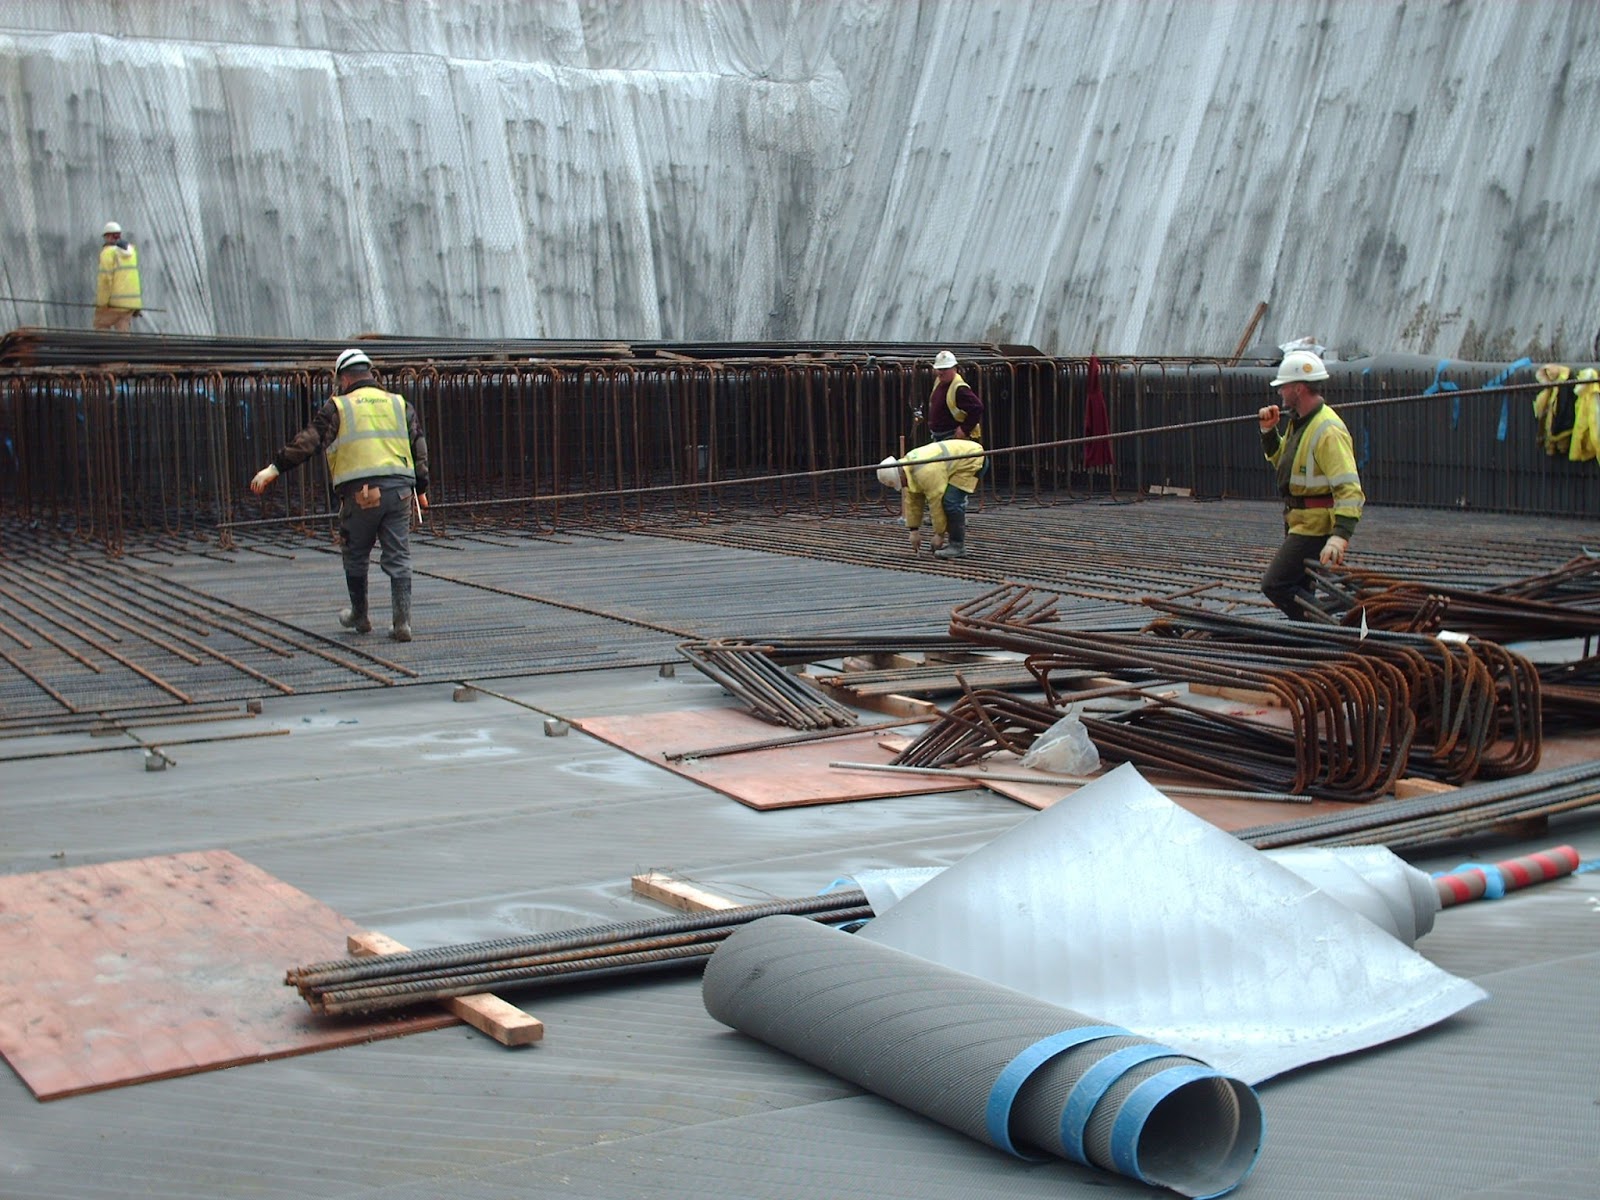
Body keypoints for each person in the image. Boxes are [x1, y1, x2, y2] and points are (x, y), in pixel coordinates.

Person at [249, 349, 429, 641]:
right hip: (400, 492)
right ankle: (402, 623)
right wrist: (421, 489)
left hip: (362, 494)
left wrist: (274, 468)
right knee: (399, 554)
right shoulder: (399, 404)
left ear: (344, 379)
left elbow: (310, 440)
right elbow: (418, 447)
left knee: (355, 552)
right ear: (370, 374)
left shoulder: (339, 406)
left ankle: (360, 615)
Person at [1257, 349, 1365, 620]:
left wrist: (1340, 536)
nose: (1280, 393)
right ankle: (1313, 633)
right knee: (1299, 589)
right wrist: (1270, 433)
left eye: (1284, 387)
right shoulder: (1301, 423)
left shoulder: (1327, 429)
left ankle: (1331, 628)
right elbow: (1287, 466)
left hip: (1315, 527)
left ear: (1299, 388)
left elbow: (1349, 488)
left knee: (1276, 583)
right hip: (1299, 521)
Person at [877, 438, 985, 559]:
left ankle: (957, 546)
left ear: (900, 477)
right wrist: (913, 530)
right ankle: (955, 543)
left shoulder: (925, 471)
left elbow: (936, 502)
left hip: (972, 458)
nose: (902, 486)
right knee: (948, 501)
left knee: (951, 502)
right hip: (963, 457)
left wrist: (939, 534)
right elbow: (913, 500)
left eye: (900, 483)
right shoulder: (909, 467)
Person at [926, 350, 984, 443]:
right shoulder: (939, 382)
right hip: (940, 437)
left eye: (945, 369)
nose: (941, 373)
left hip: (952, 437)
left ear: (954, 369)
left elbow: (977, 407)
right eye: (939, 369)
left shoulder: (960, 388)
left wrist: (964, 429)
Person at [93, 221, 142, 331]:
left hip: (114, 304)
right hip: (130, 304)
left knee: (100, 324)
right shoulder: (132, 252)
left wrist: (101, 304)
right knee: (123, 330)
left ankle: (102, 348)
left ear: (108, 236)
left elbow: (105, 281)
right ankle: (124, 348)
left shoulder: (108, 253)